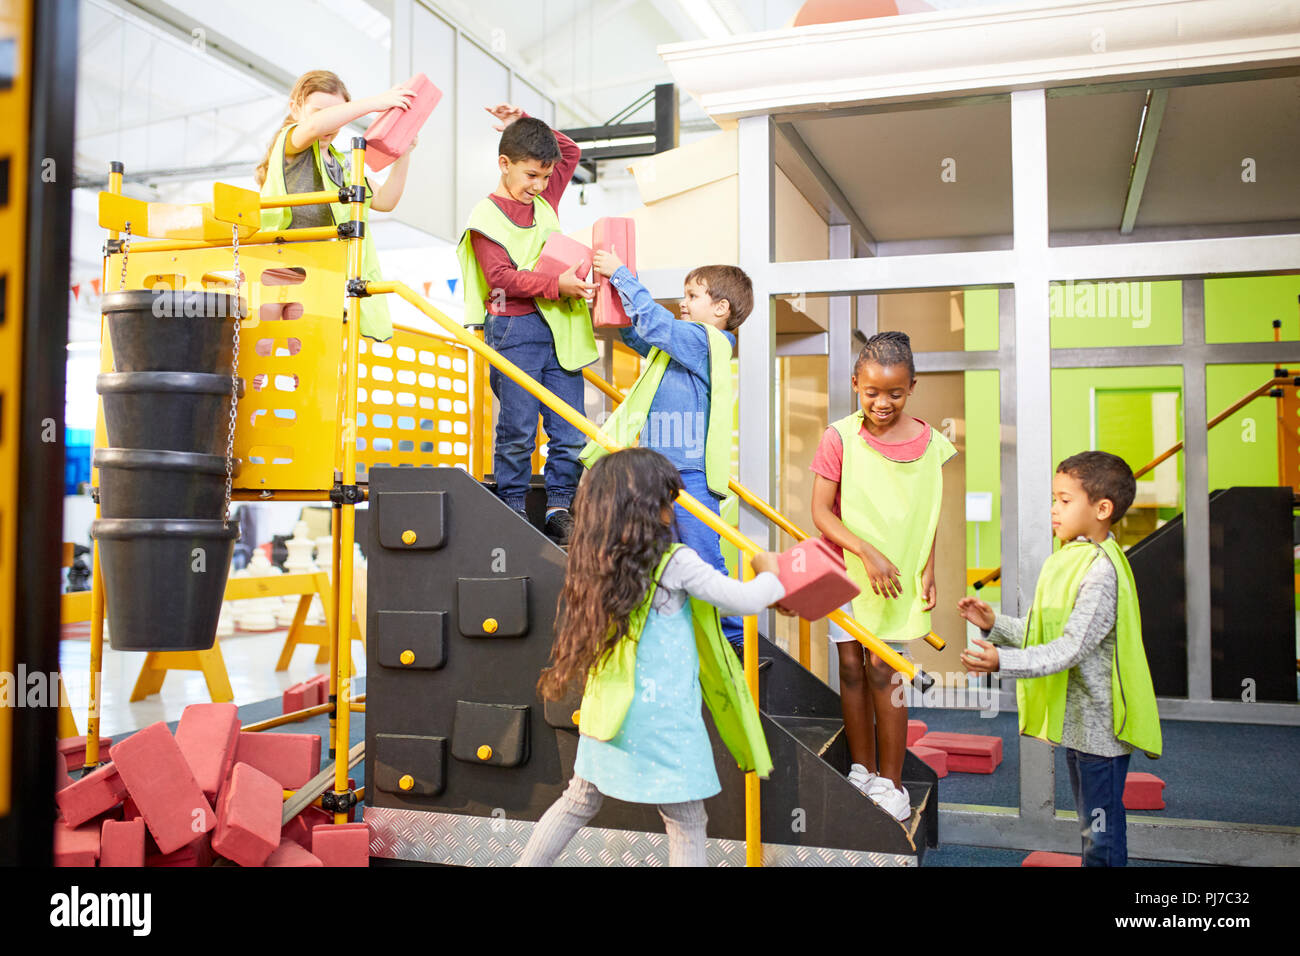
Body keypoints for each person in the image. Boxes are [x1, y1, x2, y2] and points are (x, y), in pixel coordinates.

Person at [518, 448, 783, 866]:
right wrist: (771, 573)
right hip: (662, 724)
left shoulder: (595, 563)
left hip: (610, 714)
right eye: (669, 498)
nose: (673, 507)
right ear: (651, 508)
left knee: (578, 800)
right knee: (687, 820)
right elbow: (743, 600)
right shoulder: (675, 562)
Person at [958, 451, 1162, 867]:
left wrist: (1003, 663)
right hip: (1081, 725)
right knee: (1094, 825)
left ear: (1102, 509)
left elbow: (1069, 648)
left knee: (1100, 832)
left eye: (1065, 501)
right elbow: (1043, 635)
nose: (1054, 508)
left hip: (1102, 732)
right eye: (1054, 498)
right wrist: (994, 623)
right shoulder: (1072, 559)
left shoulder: (1100, 572)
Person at [809, 331, 956, 822]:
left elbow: (928, 513)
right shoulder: (839, 436)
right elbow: (820, 513)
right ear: (856, 384)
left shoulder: (932, 443)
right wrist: (865, 551)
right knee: (850, 668)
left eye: (894, 392)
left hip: (895, 580)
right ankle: (863, 769)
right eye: (871, 392)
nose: (882, 402)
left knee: (885, 671)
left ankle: (892, 784)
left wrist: (928, 568)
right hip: (842, 567)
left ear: (912, 385)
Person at [582, 252, 752, 648]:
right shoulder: (682, 346)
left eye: (693, 296)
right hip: (662, 474)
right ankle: (686, 636)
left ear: (720, 309)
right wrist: (609, 302)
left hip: (688, 475)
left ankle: (736, 641)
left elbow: (657, 325)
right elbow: (640, 335)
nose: (683, 303)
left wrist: (621, 277)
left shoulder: (706, 341)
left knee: (703, 555)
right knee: (661, 558)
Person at [456, 104, 598, 546]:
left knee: (569, 429)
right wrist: (556, 283)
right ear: (504, 164)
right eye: (531, 176)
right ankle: (514, 506)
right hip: (515, 328)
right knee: (518, 429)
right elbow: (499, 278)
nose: (539, 186)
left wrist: (523, 120)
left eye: (544, 177)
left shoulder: (542, 196)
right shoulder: (486, 217)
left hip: (562, 330)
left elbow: (570, 151)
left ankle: (559, 507)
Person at [256, 70, 417, 343]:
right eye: (318, 111)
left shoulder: (341, 164)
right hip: (274, 264)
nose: (330, 122)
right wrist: (375, 103)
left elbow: (386, 200)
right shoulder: (291, 141)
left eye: (338, 113)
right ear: (295, 109)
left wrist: (404, 155)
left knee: (302, 348)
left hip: (313, 271)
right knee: (263, 343)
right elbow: (314, 126)